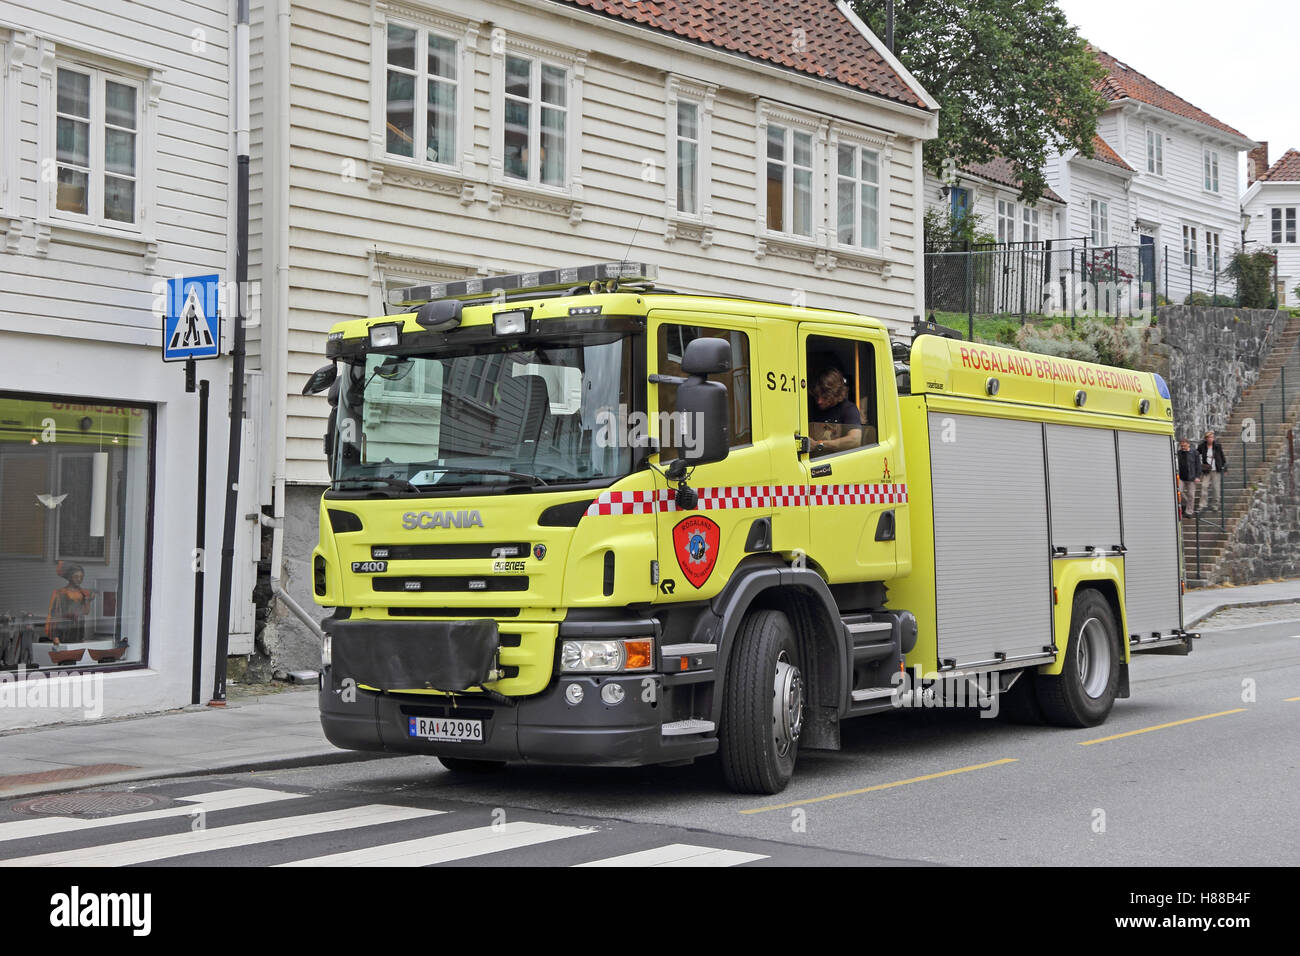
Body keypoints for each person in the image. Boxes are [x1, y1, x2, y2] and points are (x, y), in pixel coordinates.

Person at [808, 367, 863, 457]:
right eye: (817, 396)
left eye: (825, 397)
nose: (819, 401)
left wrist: (820, 445)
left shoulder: (849, 409)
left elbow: (855, 440)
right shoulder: (812, 408)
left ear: (837, 393)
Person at [45, 562, 95, 647]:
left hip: (78, 630)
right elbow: (54, 615)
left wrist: (88, 600)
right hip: (64, 630)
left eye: (81, 577)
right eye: (76, 576)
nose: (79, 579)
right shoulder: (60, 593)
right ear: (69, 577)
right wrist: (55, 636)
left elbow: (85, 612)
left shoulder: (83, 593)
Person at [1197, 430, 1227, 512]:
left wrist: (1225, 468)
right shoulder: (1202, 446)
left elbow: (1222, 456)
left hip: (1216, 469)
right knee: (1204, 486)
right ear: (1206, 438)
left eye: (1212, 437)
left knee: (1216, 488)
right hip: (1206, 470)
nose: (1211, 439)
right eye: (1209, 437)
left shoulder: (1217, 446)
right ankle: (1202, 505)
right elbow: (1196, 454)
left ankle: (1215, 505)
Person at [1176, 438, 1201, 518]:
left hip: (1192, 477)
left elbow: (1198, 465)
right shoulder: (1179, 453)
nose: (1183, 447)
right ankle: (1186, 503)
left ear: (1188, 444)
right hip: (1181, 477)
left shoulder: (1194, 453)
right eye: (1181, 446)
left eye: (1184, 446)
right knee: (1178, 491)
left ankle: (1189, 512)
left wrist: (1197, 476)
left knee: (1191, 495)